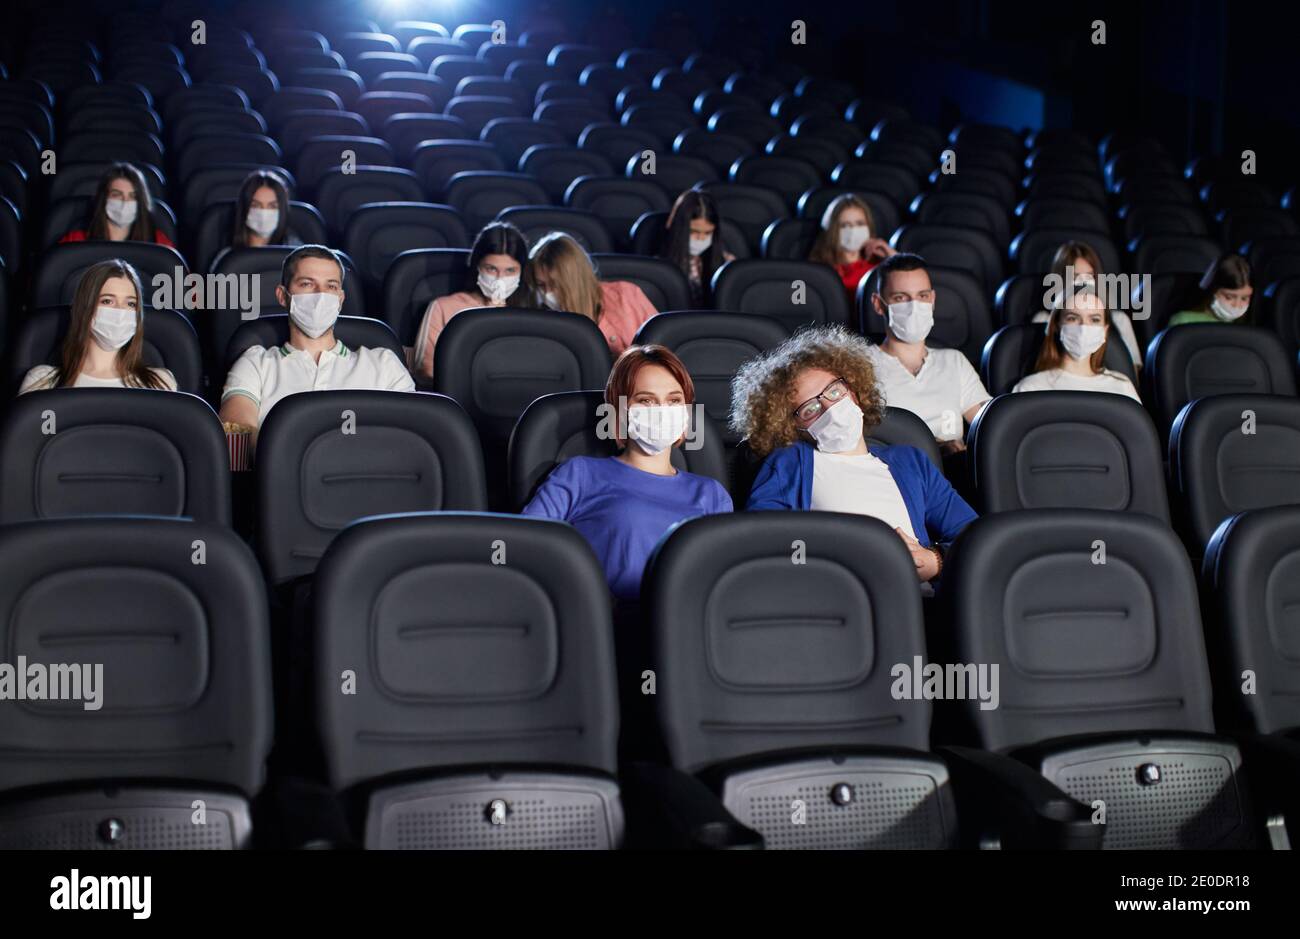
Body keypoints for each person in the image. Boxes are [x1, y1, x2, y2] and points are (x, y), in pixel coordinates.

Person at [730, 324, 976, 585]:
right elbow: (763, 547)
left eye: (834, 391)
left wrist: (935, 561)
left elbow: (972, 536)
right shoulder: (788, 464)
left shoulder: (911, 462)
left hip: (917, 603)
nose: (829, 408)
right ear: (793, 426)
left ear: (855, 391)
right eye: (810, 408)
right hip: (837, 604)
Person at [522, 344, 732, 600]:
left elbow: (720, 586)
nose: (662, 412)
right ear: (620, 413)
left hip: (683, 628)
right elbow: (527, 550)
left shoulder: (711, 494)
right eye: (646, 400)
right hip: (600, 626)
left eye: (674, 400)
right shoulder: (580, 475)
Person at [218, 245, 414, 435]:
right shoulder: (256, 363)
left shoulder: (384, 364)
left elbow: (413, 434)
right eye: (307, 283)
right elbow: (236, 438)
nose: (320, 294)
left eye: (331, 286)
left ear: (340, 299)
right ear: (282, 296)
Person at [863, 253, 991, 452]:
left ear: (932, 299)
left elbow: (988, 425)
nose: (914, 306)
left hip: (953, 475)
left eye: (922, 296)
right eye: (900, 298)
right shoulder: (860, 365)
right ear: (878, 304)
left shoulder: (954, 361)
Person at [19, 259, 177, 393]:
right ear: (83, 309)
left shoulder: (160, 383)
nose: (120, 311)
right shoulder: (42, 382)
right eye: (107, 301)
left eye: (130, 304)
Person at [412, 221, 530, 379]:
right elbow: (426, 370)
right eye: (491, 268)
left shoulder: (531, 310)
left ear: (521, 271)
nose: (499, 279)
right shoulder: (444, 307)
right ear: (477, 266)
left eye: (510, 270)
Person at [526, 232, 659, 356]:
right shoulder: (537, 316)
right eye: (541, 285)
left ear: (575, 280)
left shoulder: (626, 294)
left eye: (555, 285)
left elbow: (662, 353)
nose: (547, 293)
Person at [1013, 287, 1141, 401]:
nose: (1083, 327)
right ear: (1057, 325)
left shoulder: (1122, 388)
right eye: (1072, 318)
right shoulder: (1031, 388)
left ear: (1105, 329)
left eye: (1094, 319)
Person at [1032, 241, 1142, 369]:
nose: (1084, 284)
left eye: (1090, 276)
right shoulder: (1043, 319)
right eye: (1076, 277)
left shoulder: (1120, 320)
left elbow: (1133, 371)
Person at [58, 163, 174, 246]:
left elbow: (180, 277)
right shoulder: (75, 241)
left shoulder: (159, 242)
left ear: (141, 203)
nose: (125, 202)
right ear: (103, 198)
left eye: (133, 196)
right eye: (116, 195)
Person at [809, 193, 896, 302]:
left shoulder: (879, 268)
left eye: (860, 224)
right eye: (845, 225)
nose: (853, 230)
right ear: (832, 230)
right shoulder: (822, 271)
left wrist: (893, 257)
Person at [657, 187, 734, 307]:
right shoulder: (661, 266)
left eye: (708, 233)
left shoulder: (727, 263)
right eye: (694, 232)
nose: (701, 238)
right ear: (680, 229)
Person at [1168, 254, 1253, 327]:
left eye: (1244, 298)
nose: (1237, 305)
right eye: (1229, 297)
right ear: (1213, 291)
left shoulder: (1248, 329)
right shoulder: (1184, 321)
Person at [230, 169, 302, 250]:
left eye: (272, 206)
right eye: (255, 205)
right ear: (244, 208)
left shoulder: (295, 251)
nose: (264, 212)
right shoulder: (228, 258)